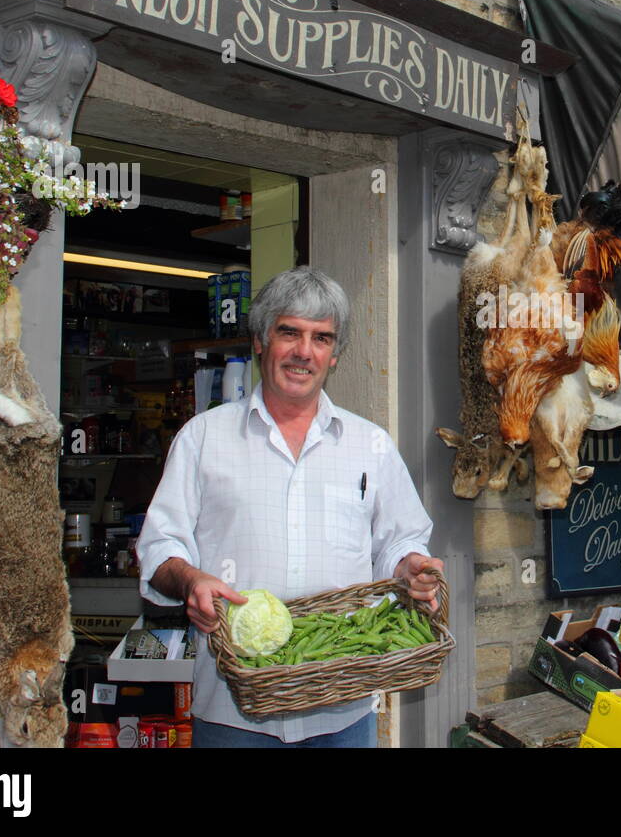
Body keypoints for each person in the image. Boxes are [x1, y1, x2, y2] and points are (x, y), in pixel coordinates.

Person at [137, 266, 442, 747]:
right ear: (260, 341)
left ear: (334, 355)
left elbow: (398, 542)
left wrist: (411, 568)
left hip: (342, 715)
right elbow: (159, 547)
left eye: (321, 338)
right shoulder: (203, 439)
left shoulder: (371, 445)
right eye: (289, 332)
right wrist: (191, 580)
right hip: (233, 715)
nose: (304, 352)